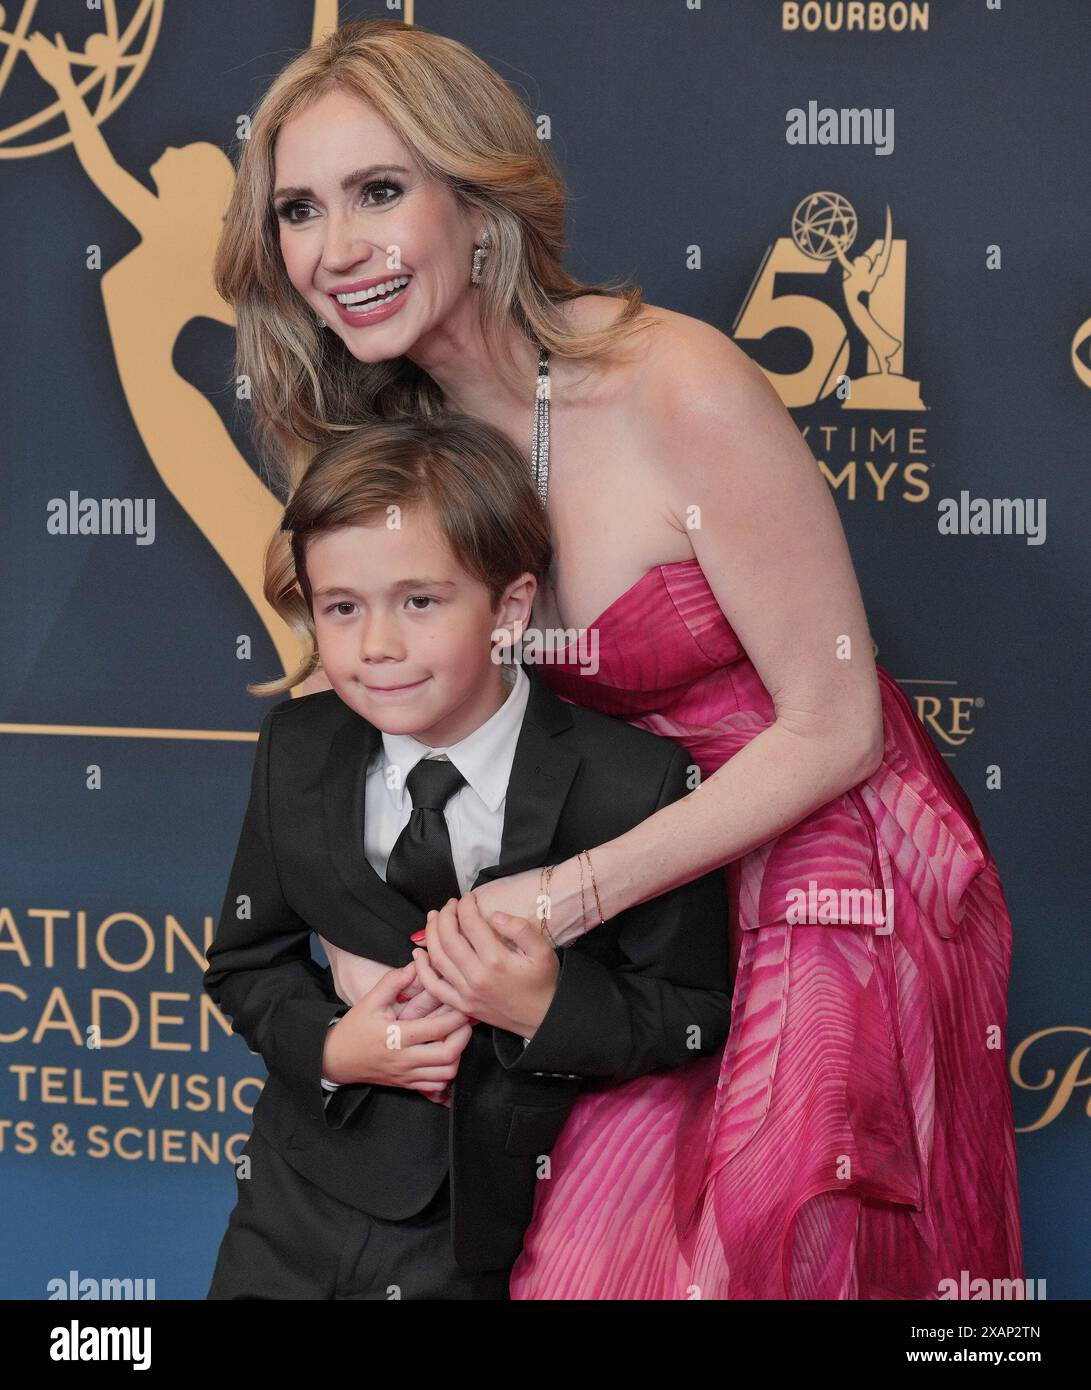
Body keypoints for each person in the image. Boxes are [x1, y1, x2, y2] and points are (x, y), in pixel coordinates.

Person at [212, 18, 1024, 1298]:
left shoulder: (672, 384)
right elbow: (356, 722)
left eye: (379, 191)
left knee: (755, 1232)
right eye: (300, 210)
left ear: (477, 202)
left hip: (808, 849)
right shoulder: (371, 440)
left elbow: (834, 724)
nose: (335, 249)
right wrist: (364, 939)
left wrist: (559, 898)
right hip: (591, 867)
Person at [203, 415, 732, 1299]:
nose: (376, 646)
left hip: (510, 1229)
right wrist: (336, 1049)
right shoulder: (295, 749)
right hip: (294, 1206)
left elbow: (691, 1010)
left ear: (510, 609)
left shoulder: (634, 784)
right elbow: (244, 962)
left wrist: (542, 1006)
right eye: (341, 608)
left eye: (419, 602)